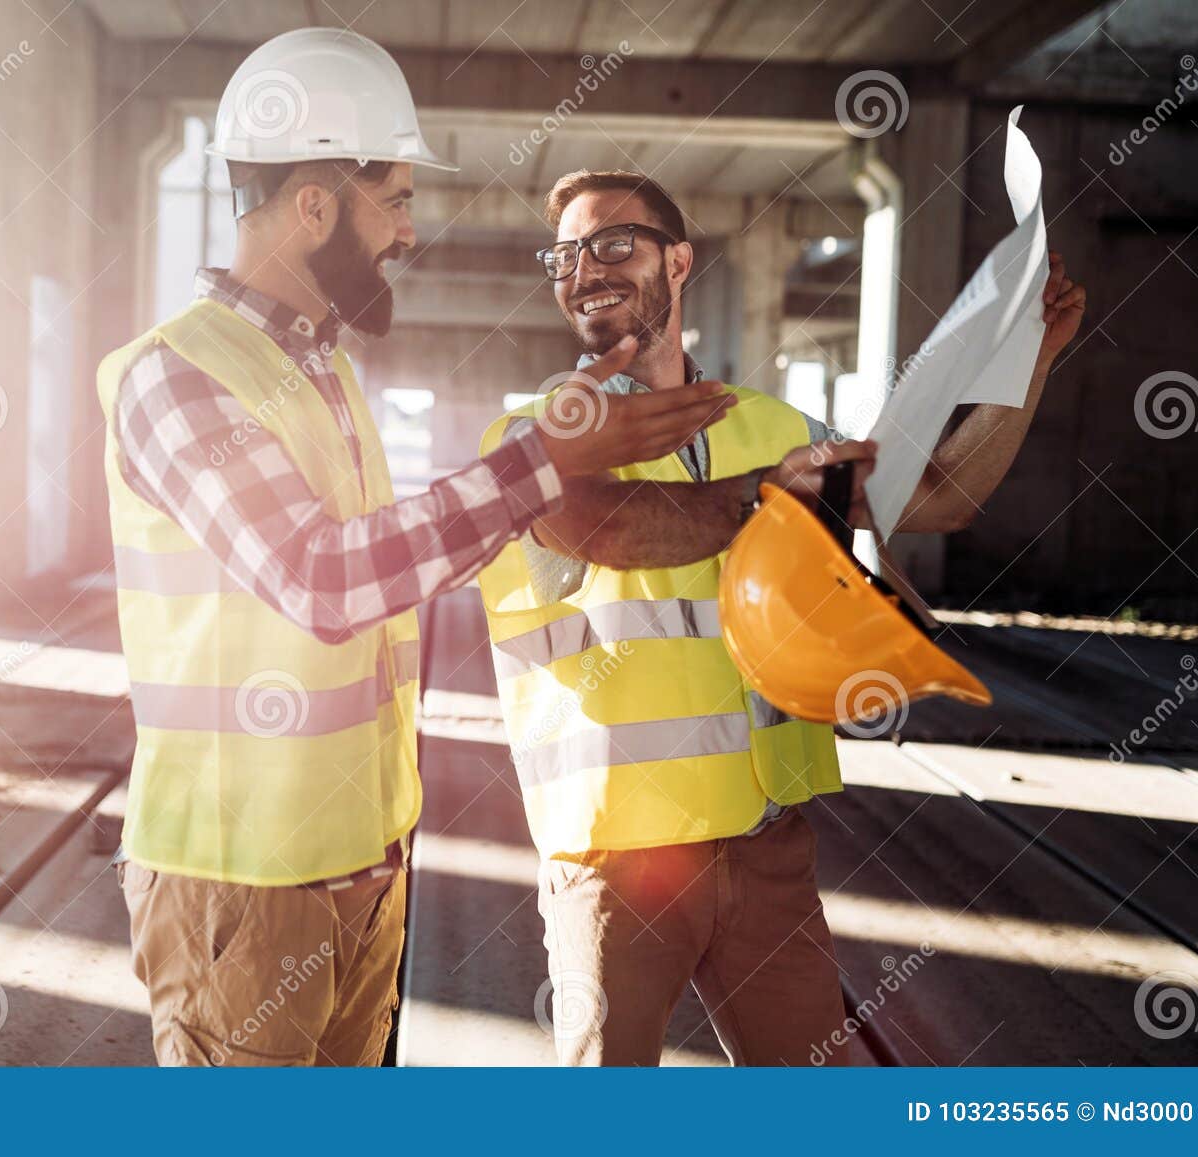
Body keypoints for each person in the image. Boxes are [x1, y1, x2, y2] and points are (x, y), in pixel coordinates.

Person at [97, 38, 733, 1066]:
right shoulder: (176, 377)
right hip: (240, 877)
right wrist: (543, 462)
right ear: (313, 204)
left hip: (365, 863)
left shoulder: (328, 373)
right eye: (391, 198)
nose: (409, 229)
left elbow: (397, 560)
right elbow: (322, 577)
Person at [476, 168, 1086, 1066]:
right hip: (615, 855)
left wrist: (1029, 359)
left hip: (764, 844)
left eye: (613, 243)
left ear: (679, 261)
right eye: (564, 254)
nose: (583, 269)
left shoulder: (769, 424)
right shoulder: (529, 440)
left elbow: (941, 494)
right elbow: (616, 527)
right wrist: (771, 494)